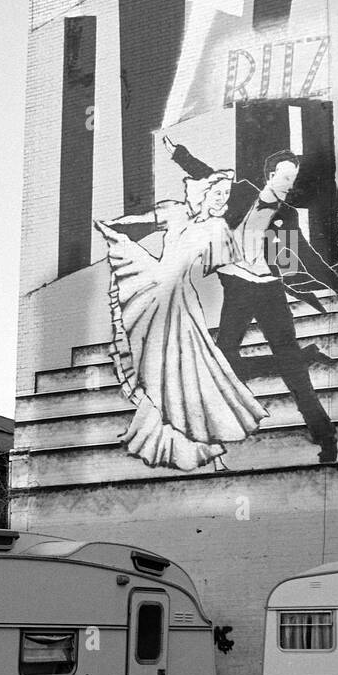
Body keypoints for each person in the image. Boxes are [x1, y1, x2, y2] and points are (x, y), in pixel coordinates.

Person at [163, 136, 338, 465]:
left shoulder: (287, 215)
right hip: (240, 287)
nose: (288, 183)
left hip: (270, 289)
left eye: (292, 178)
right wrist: (179, 154)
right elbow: (207, 174)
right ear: (269, 175)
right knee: (223, 358)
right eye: (284, 176)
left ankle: (323, 432)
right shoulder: (242, 193)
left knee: (292, 364)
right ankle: (209, 431)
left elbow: (302, 256)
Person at [94, 170, 269, 473]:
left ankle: (209, 451)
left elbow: (235, 266)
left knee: (192, 372)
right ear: (203, 192)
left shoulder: (217, 228)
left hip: (181, 304)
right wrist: (112, 226)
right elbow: (143, 221)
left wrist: (266, 278)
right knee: (163, 374)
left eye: (226, 195)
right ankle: (185, 445)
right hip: (153, 291)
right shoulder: (175, 212)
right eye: (218, 193)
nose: (222, 200)